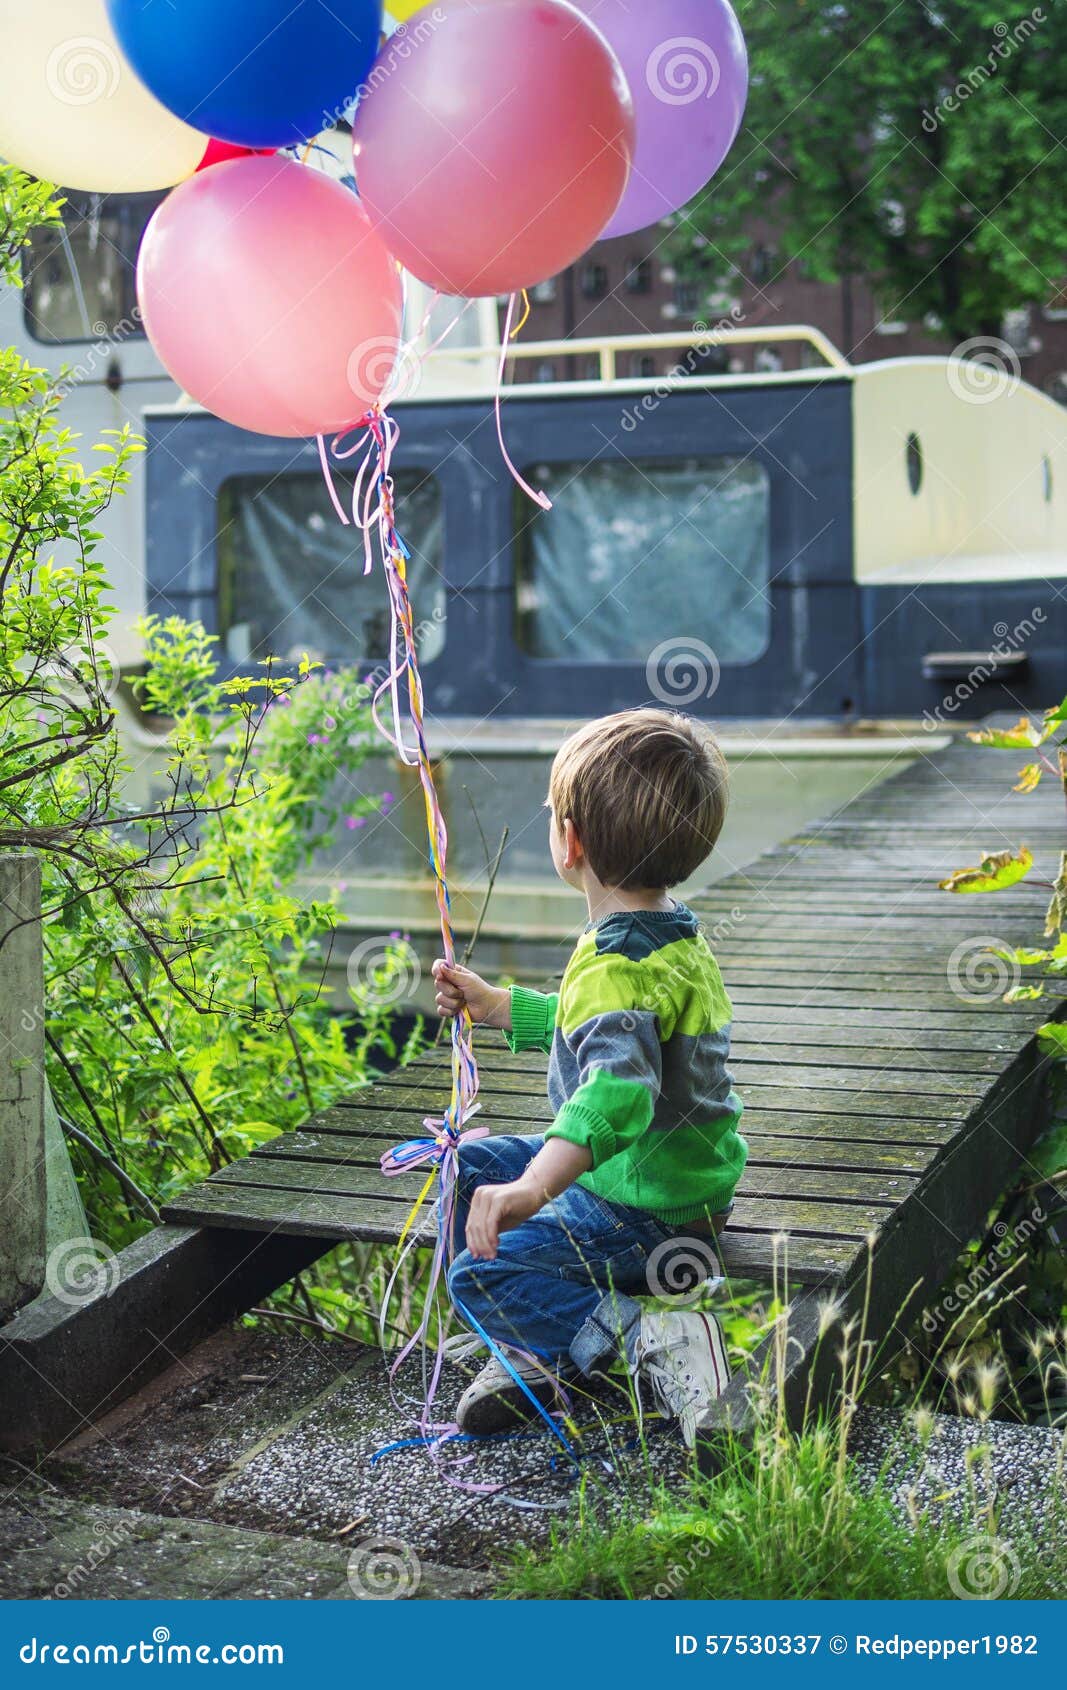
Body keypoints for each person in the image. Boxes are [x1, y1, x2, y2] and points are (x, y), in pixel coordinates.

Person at [432, 708, 747, 1449]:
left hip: (649, 1218)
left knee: (477, 1277)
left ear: (569, 842)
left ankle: (651, 1339)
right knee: (465, 1167)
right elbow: (617, 1038)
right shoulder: (667, 931)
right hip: (666, 1188)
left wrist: (535, 1187)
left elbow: (618, 1091)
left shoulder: (617, 965)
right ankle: (538, 1351)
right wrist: (502, 1007)